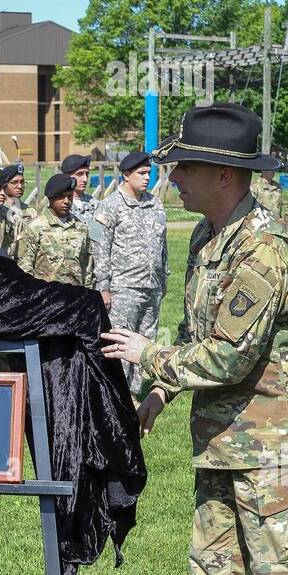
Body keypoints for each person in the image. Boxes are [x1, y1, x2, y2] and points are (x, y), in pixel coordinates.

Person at [101, 104, 288, 575]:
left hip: (269, 445)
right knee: (216, 567)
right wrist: (160, 392)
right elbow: (198, 336)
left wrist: (146, 357)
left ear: (223, 174)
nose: (173, 177)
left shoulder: (265, 249)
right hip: (219, 436)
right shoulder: (207, 236)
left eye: (184, 166)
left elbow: (231, 356)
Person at [93, 150, 167, 394]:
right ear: (126, 175)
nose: (147, 178)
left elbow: (162, 246)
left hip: (152, 286)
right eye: (142, 173)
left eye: (149, 173)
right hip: (123, 288)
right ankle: (116, 393)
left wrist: (163, 279)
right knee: (120, 344)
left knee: (146, 342)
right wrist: (103, 287)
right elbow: (100, 249)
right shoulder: (109, 206)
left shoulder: (154, 204)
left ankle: (135, 394)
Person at [14, 172, 94, 286]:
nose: (66, 201)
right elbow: (25, 269)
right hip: (46, 298)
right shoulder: (34, 228)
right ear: (51, 198)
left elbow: (87, 268)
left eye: (70, 196)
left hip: (75, 298)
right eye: (61, 197)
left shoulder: (80, 227)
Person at [60, 152, 95, 226]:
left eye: (87, 174)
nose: (85, 179)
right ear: (67, 176)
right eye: (80, 174)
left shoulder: (94, 204)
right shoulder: (59, 204)